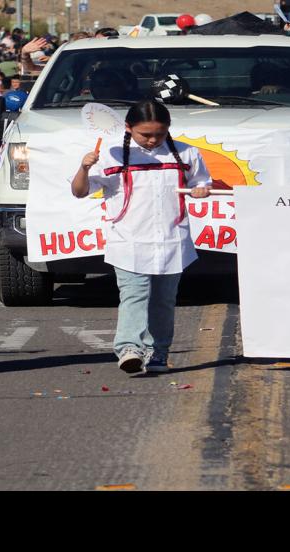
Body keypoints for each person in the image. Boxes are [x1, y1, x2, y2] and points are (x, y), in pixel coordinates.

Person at [70, 99, 212, 376]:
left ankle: (158, 352)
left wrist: (201, 190)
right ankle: (129, 349)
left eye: (159, 134)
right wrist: (84, 168)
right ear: (128, 128)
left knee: (164, 300)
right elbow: (79, 191)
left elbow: (202, 182)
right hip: (128, 241)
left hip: (172, 241)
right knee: (134, 295)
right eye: (145, 134)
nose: (152, 140)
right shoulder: (109, 155)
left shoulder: (186, 153)